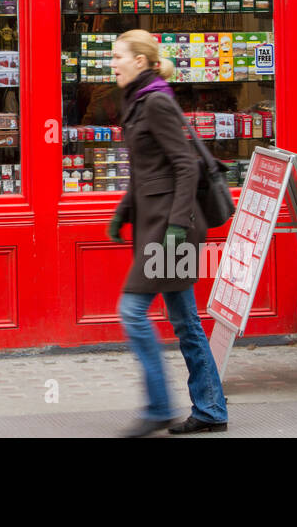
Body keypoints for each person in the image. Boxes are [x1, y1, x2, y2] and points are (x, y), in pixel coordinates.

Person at [108, 29, 227, 436]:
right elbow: (148, 171)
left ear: (140, 61)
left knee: (132, 310)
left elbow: (184, 166)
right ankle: (211, 410)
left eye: (118, 56)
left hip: (171, 230)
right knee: (185, 321)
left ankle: (160, 406)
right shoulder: (139, 99)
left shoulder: (156, 101)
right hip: (156, 224)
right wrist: (123, 212)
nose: (113, 63)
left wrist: (177, 226)